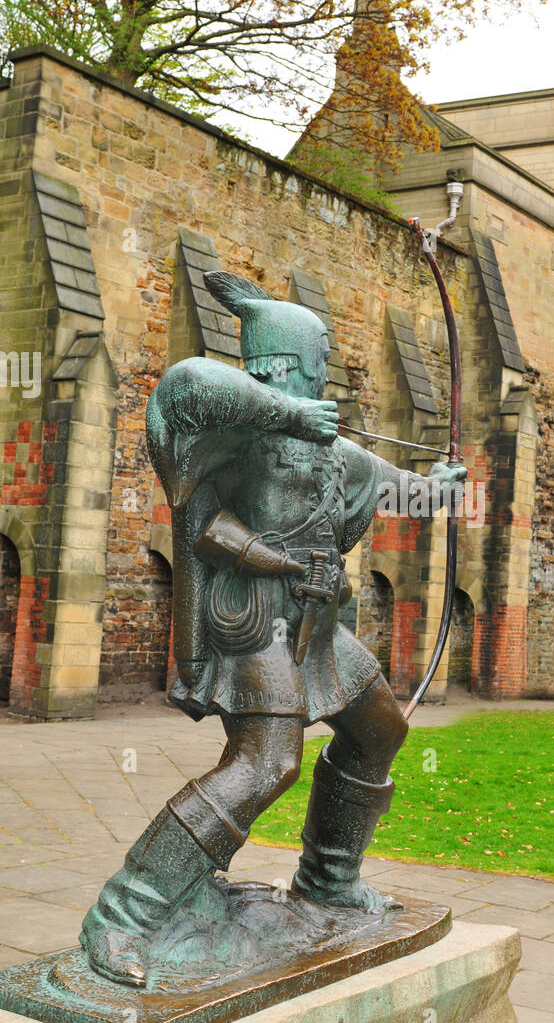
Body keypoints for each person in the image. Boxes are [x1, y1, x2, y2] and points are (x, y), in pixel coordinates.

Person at [79, 271, 465, 987]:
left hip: (313, 624)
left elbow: (403, 488)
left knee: (379, 729)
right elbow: (184, 388)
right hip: (249, 618)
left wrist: (440, 483)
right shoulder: (228, 430)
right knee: (265, 765)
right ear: (283, 365)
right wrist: (286, 421)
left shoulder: (333, 450)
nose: (325, 373)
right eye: (315, 360)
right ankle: (125, 915)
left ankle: (328, 881)